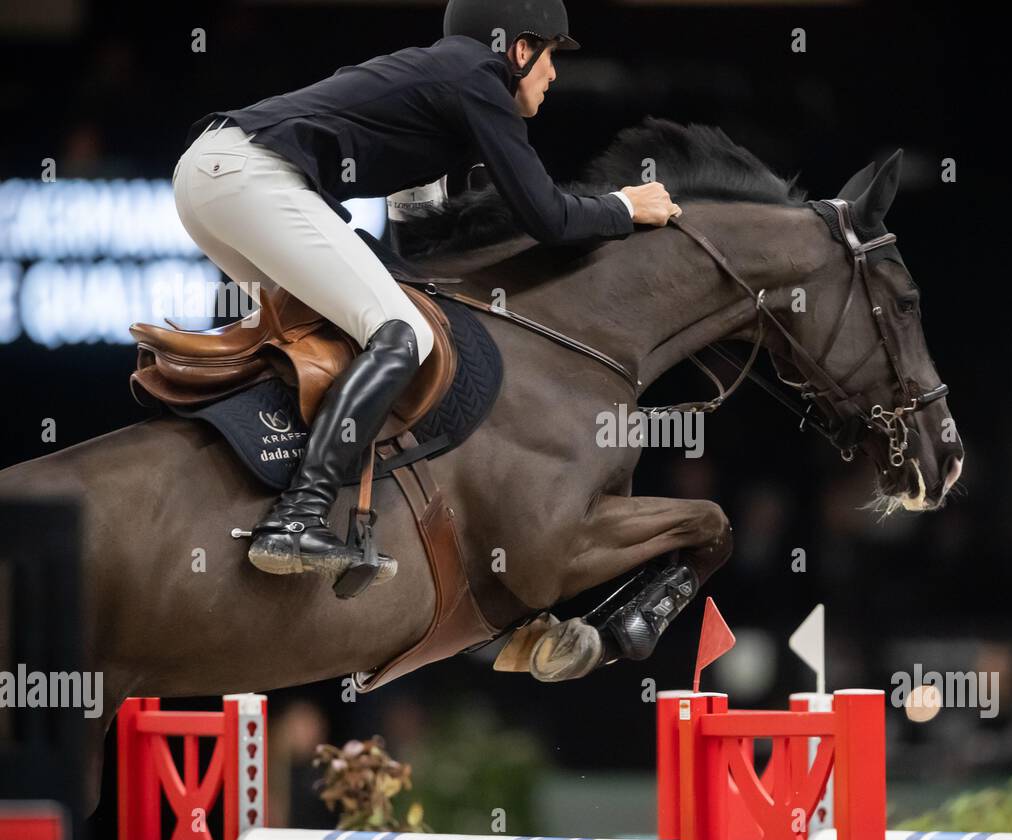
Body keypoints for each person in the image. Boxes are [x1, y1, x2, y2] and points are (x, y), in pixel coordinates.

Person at [171, 0, 681, 591]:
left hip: (209, 179)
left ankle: (264, 487)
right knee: (400, 334)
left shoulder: (441, 86)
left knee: (327, 335)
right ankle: (298, 515)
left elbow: (424, 233)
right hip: (248, 176)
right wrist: (624, 206)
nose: (554, 74)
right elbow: (547, 215)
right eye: (550, 55)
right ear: (519, 50)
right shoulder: (479, 78)